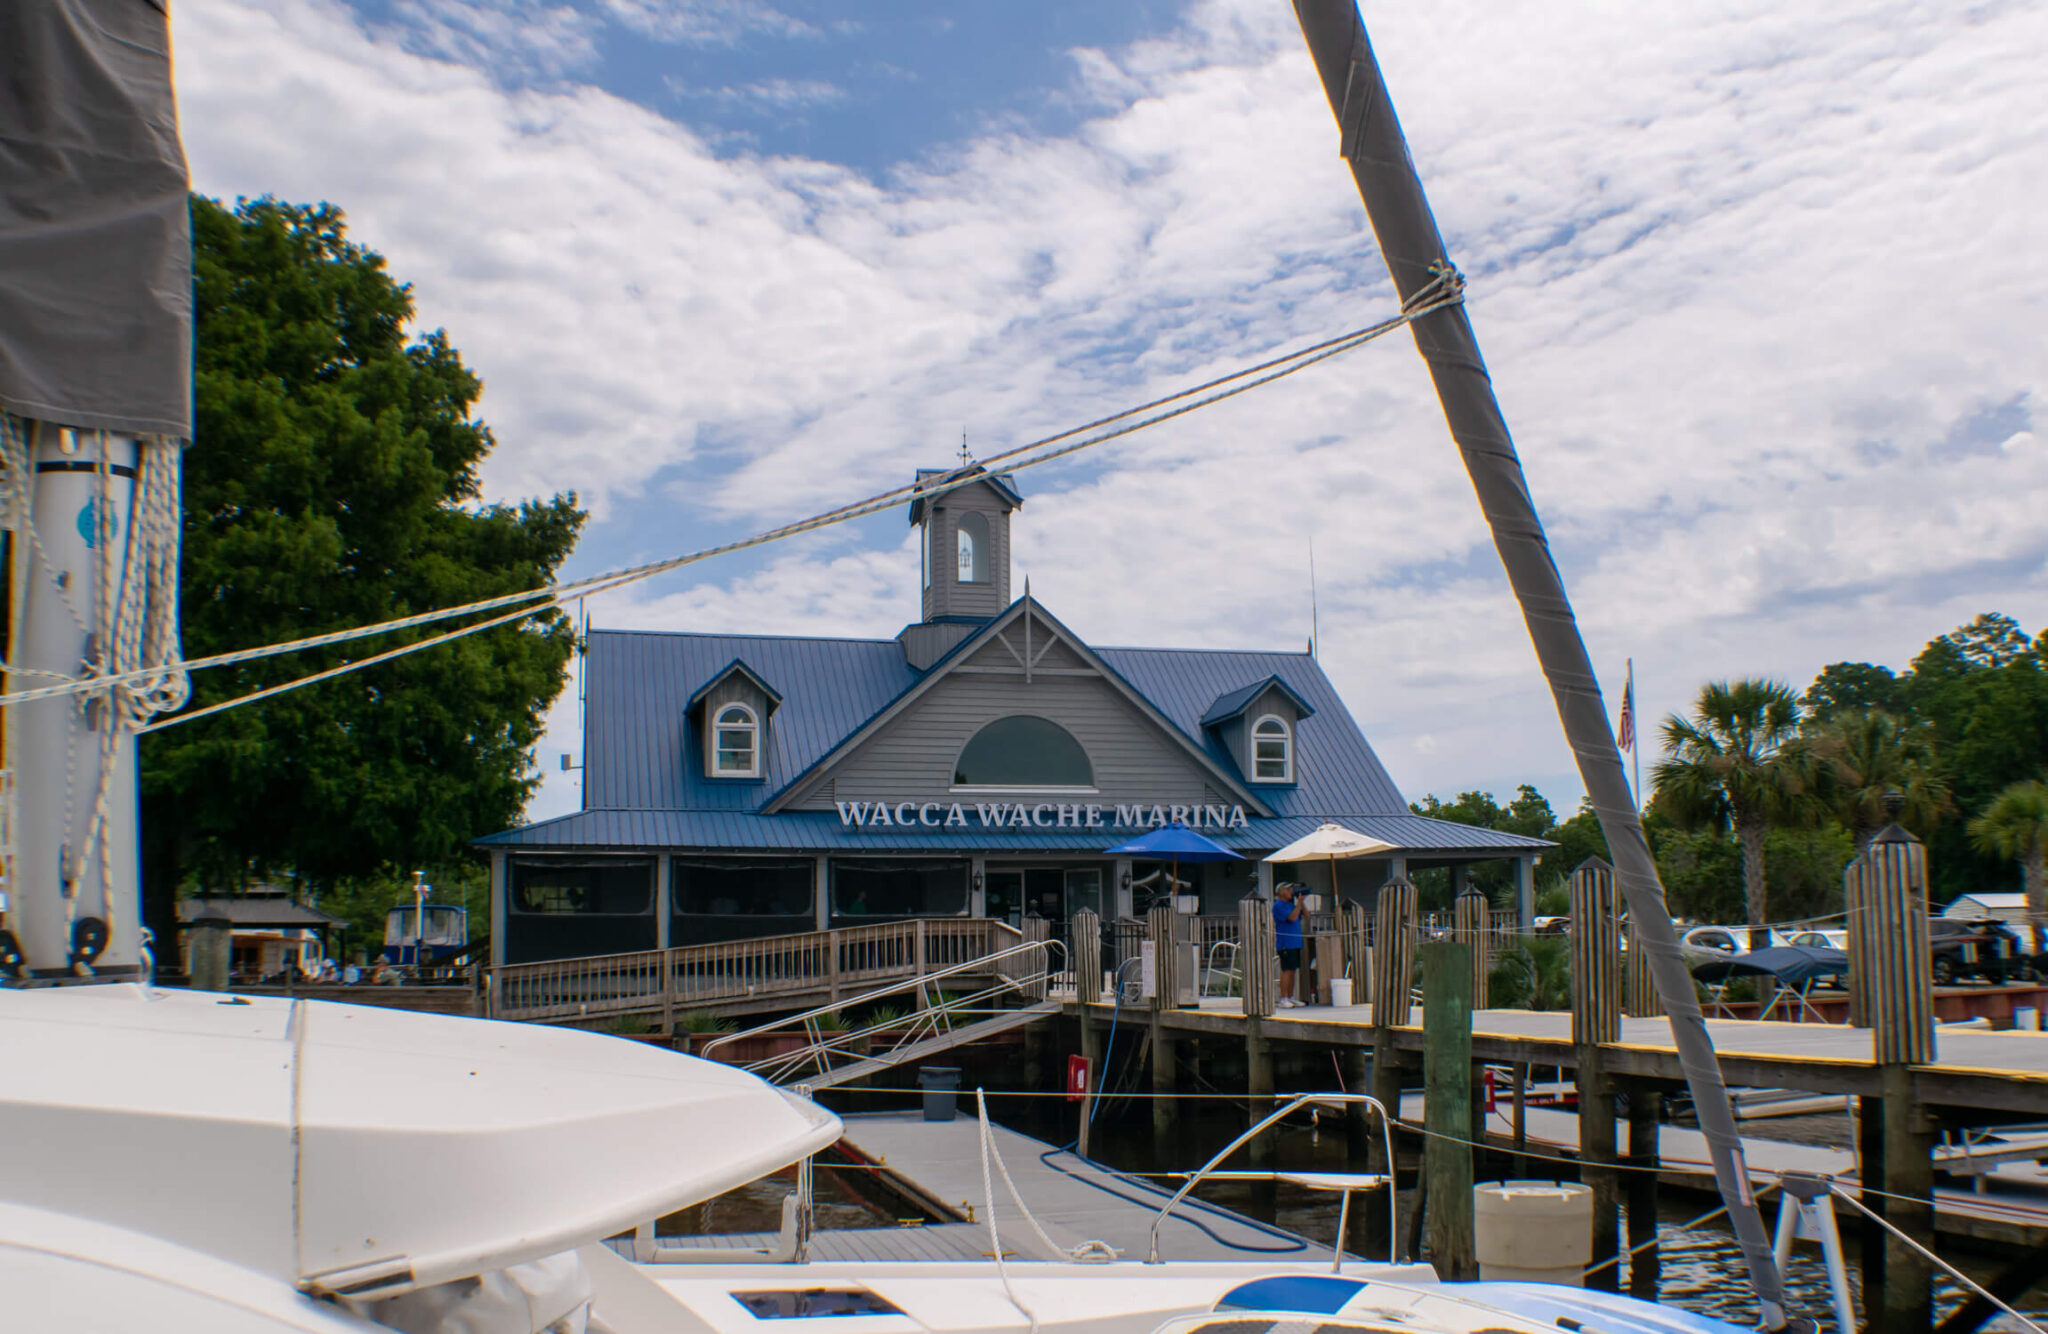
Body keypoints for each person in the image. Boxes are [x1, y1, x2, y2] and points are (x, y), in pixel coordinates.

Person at [1273, 881, 1306, 1008]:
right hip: (1285, 943)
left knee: (1293, 970)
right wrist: (1298, 904)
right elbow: (1292, 918)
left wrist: (1301, 902)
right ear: (1281, 892)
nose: (1291, 892)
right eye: (1288, 889)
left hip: (1295, 942)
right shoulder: (1278, 905)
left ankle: (1291, 997)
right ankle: (1283, 998)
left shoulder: (1291, 905)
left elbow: (1307, 915)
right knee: (1286, 970)